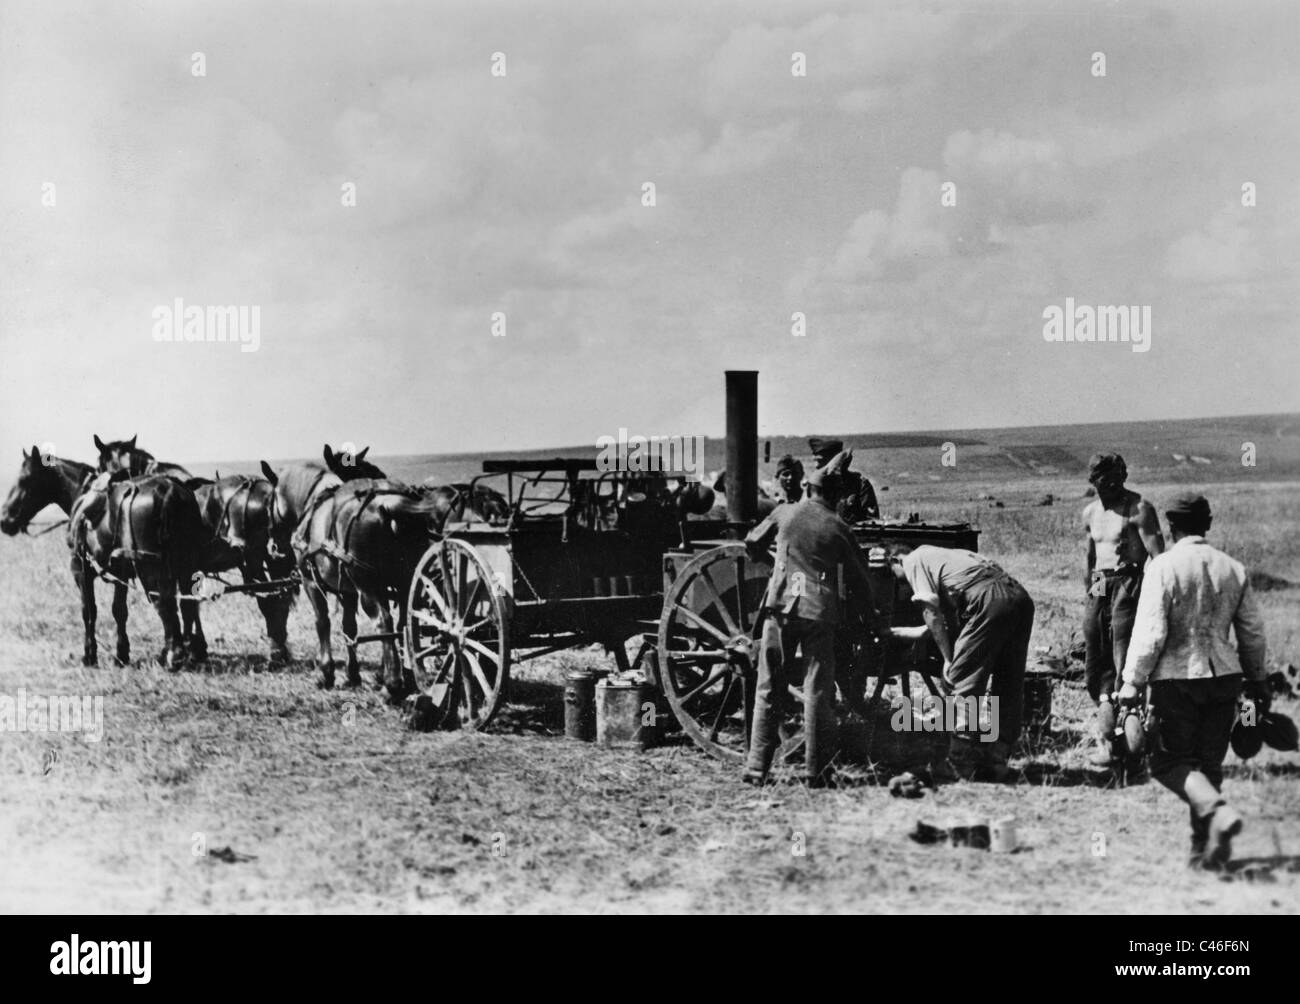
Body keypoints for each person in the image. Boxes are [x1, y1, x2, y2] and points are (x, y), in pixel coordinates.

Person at [1117, 493, 1268, 869]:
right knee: (1209, 766)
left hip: (1176, 680)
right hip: (1225, 678)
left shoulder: (1164, 567)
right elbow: (1251, 634)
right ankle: (1205, 853)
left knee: (1168, 764)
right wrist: (1258, 680)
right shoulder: (1232, 568)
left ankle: (1216, 811)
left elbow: (1151, 633)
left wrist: (1132, 682)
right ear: (1209, 524)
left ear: (1172, 526)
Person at [742, 452, 875, 786]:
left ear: (809, 489)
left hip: (781, 608)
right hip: (819, 614)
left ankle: (756, 768)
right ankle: (816, 771)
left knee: (768, 686)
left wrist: (772, 560)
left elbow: (751, 542)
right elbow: (861, 579)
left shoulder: (784, 512)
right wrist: (869, 615)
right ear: (832, 495)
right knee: (817, 692)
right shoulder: (838, 526)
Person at [887, 545, 1034, 781]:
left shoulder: (912, 560)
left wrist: (947, 658)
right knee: (1009, 680)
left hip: (987, 599)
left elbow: (931, 613)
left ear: (895, 560)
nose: (901, 585)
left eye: (894, 575)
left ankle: (959, 763)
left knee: (961, 680)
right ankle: (997, 760)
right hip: (1018, 596)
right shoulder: (946, 555)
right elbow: (940, 623)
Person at [1081, 452, 1164, 766]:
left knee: (1123, 652)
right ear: (1094, 480)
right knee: (1095, 647)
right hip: (1100, 583)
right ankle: (1104, 718)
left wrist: (1154, 598)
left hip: (1128, 580)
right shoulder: (1090, 512)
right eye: (1104, 478)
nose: (1112, 483)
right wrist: (1089, 594)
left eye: (1117, 476)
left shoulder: (1138, 508)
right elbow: (1089, 558)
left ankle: (1129, 734)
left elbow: (1158, 557)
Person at [808, 438, 879, 522]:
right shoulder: (814, 488)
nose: (816, 466)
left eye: (821, 461)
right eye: (815, 461)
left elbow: (871, 522)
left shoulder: (859, 485)